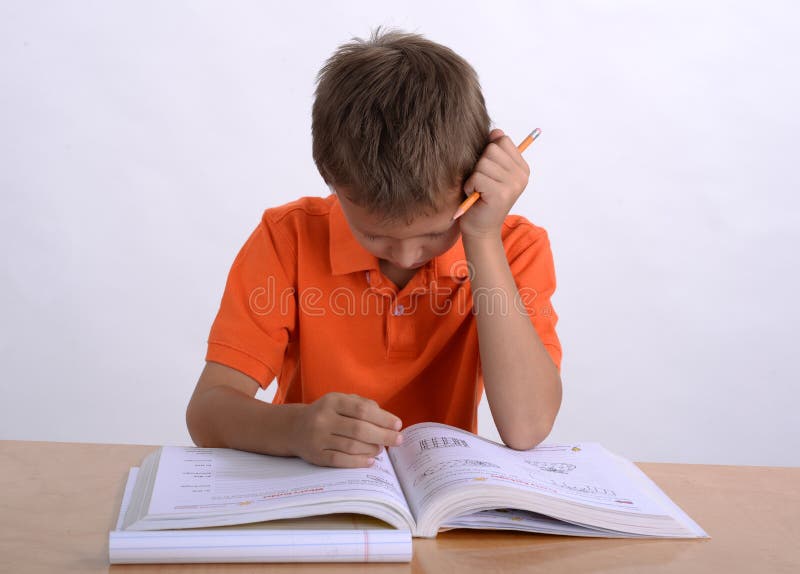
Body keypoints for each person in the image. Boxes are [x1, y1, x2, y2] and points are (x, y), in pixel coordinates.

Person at [186, 29, 562, 468]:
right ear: (331, 180)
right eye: (375, 236)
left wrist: (480, 237)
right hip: (313, 492)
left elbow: (527, 427)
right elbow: (207, 413)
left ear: (474, 183)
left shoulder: (514, 247)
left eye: (434, 233)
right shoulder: (286, 238)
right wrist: (294, 429)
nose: (405, 256)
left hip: (443, 507)